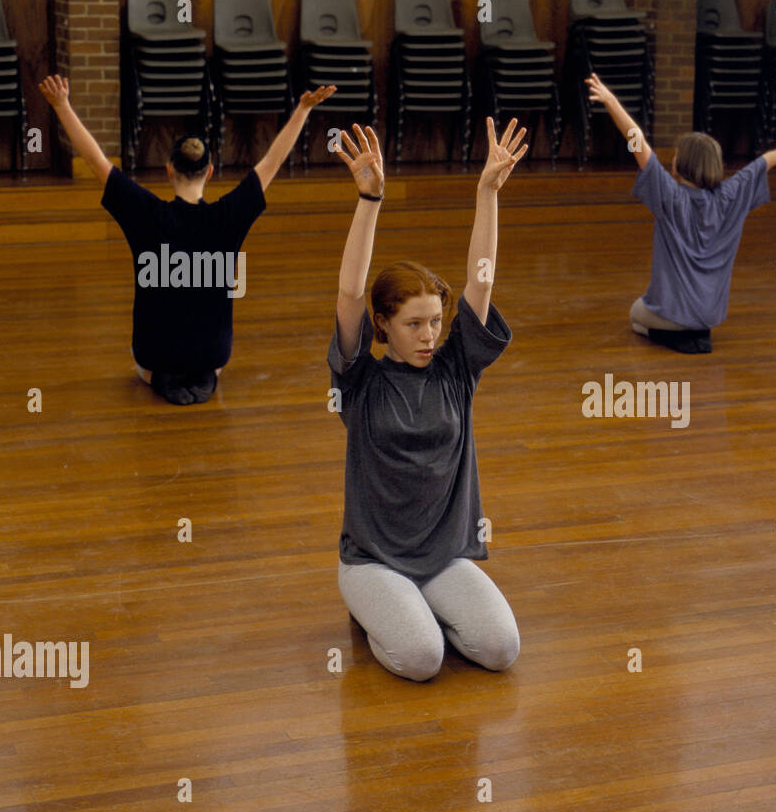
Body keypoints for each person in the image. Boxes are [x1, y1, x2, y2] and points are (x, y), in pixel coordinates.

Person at [329, 118, 528, 681]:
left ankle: (416, 609)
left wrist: (487, 192)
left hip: (442, 557)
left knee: (501, 649)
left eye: (436, 322)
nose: (428, 335)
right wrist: (370, 199)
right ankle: (377, 607)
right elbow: (348, 291)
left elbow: (482, 282)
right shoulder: (358, 379)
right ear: (384, 324)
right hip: (372, 559)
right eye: (414, 323)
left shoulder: (456, 372)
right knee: (421, 660)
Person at [39, 74, 336, 404]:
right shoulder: (228, 215)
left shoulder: (147, 213)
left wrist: (62, 104)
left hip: (155, 354)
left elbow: (97, 162)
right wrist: (302, 109)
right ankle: (202, 374)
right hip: (212, 355)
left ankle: (160, 375)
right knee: (208, 354)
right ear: (210, 171)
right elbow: (272, 161)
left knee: (146, 362)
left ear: (168, 169)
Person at [585, 72, 776, 353]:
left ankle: (673, 333)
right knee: (665, 310)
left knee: (636, 311)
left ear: (685, 163)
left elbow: (637, 141)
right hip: (710, 316)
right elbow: (771, 159)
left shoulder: (670, 196)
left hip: (672, 316)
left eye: (678, 154)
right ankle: (694, 333)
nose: (673, 157)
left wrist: (610, 101)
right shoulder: (731, 196)